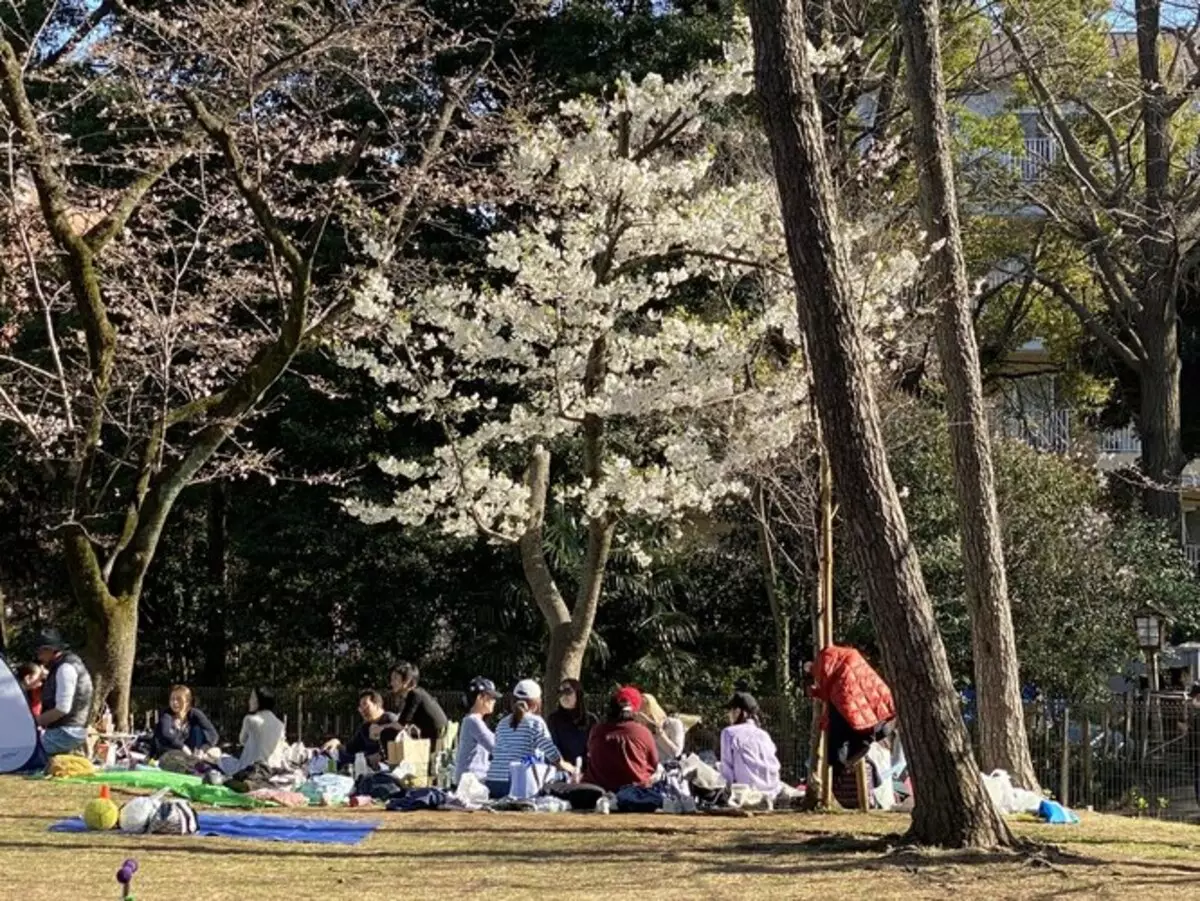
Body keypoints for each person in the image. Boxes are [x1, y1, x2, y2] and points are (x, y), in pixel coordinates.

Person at [485, 679, 576, 798]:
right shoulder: (535, 722)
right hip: (515, 785)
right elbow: (554, 756)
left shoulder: (502, 723)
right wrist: (572, 769)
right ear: (537, 703)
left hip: (492, 783)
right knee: (561, 776)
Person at [586, 686, 659, 792]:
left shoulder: (597, 730)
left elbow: (590, 754)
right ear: (636, 709)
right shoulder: (642, 732)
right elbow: (653, 764)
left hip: (597, 791)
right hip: (634, 794)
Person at [34, 629, 94, 756]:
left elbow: (62, 709)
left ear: (49, 650)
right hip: (69, 729)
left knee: (29, 754)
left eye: (40, 652)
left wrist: (34, 722)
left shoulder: (65, 668)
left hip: (66, 731)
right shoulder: (66, 665)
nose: (39, 657)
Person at [719, 691, 781, 796]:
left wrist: (726, 793)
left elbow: (727, 770)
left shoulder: (729, 732)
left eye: (730, 710)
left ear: (738, 711)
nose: (728, 714)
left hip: (745, 793)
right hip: (773, 791)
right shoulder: (764, 735)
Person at [324, 690, 398, 767]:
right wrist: (337, 743)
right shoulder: (365, 727)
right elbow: (350, 749)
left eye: (365, 705)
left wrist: (380, 756)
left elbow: (399, 746)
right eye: (360, 707)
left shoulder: (391, 721)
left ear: (377, 705)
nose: (362, 710)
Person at [384, 662, 448, 744]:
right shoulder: (417, 692)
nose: (392, 683)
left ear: (407, 680)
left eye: (395, 678)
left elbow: (400, 725)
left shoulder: (414, 695)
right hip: (433, 734)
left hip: (434, 738)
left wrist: (381, 728)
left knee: (388, 734)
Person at [454, 676, 501, 784]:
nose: (494, 701)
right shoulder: (473, 721)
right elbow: (496, 747)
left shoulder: (473, 720)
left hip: (475, 778)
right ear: (480, 698)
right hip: (472, 781)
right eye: (491, 697)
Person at [152, 685, 219, 758]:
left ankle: (196, 757)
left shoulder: (195, 714)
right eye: (172, 699)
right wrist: (183, 747)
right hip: (169, 752)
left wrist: (203, 749)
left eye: (178, 699)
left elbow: (213, 735)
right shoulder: (166, 715)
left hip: (193, 752)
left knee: (197, 729)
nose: (174, 702)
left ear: (187, 701)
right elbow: (166, 734)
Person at [547, 678, 598, 769]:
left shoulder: (591, 720)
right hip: (561, 770)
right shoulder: (553, 719)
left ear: (578, 694)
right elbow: (553, 748)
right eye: (560, 692)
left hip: (587, 771)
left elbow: (595, 748)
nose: (564, 696)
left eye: (568, 691)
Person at [234, 687, 287, 772]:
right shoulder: (280, 724)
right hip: (274, 768)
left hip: (252, 768)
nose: (249, 701)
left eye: (252, 698)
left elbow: (242, 740)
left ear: (259, 701)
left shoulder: (249, 719)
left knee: (223, 760)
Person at [640, 693, 688, 761]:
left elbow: (675, 753)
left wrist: (658, 732)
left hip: (668, 768)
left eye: (644, 709)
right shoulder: (640, 729)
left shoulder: (673, 724)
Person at [1178, 683, 1200, 804]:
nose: (1191, 700)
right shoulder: (1192, 712)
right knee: (1197, 776)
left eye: (1194, 697)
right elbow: (1182, 726)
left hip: (1196, 749)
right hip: (1195, 750)